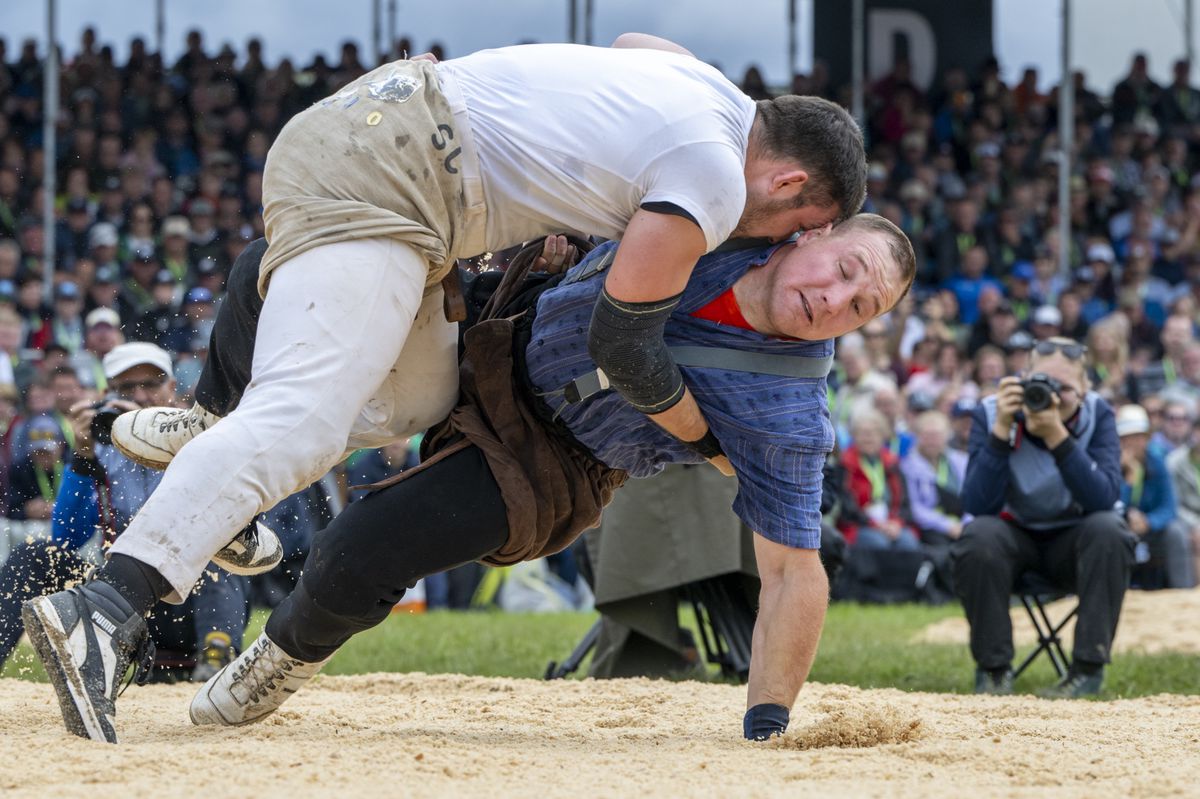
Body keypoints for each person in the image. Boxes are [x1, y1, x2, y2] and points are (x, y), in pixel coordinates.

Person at [23, 38, 867, 744]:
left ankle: (210, 432)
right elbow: (622, 341)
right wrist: (707, 438)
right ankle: (108, 602)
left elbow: (633, 47)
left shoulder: (705, 88)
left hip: (399, 154)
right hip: (401, 176)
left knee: (407, 400)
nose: (774, 246)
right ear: (789, 184)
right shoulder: (717, 183)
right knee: (305, 423)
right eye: (799, 234)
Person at [0, 343, 261, 680]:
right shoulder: (99, 446)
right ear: (109, 394)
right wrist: (83, 457)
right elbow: (65, 538)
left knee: (216, 550)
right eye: (127, 388)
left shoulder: (201, 438)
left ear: (172, 388)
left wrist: (152, 442)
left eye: (151, 384)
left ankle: (217, 654)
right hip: (124, 602)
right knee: (33, 556)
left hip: (191, 599)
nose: (140, 396)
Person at [952, 337, 1132, 698]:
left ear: (1084, 389)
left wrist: (1056, 436)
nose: (1049, 395)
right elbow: (978, 504)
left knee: (1110, 529)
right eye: (1041, 382)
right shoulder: (991, 411)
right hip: (1013, 541)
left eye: (1063, 387)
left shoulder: (1099, 413)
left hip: (1075, 541)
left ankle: (1086, 670)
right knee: (979, 534)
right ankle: (994, 671)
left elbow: (1103, 497)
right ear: (1023, 377)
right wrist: (1002, 430)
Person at [1116, 404, 1195, 589]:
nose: (1133, 443)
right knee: (1108, 532)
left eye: (1138, 437)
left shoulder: (1157, 462)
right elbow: (1112, 505)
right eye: (1127, 438)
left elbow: (1169, 507)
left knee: (1176, 532)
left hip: (1151, 528)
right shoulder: (1110, 465)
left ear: (1147, 438)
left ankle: (1183, 591)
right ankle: (1117, 591)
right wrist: (1128, 480)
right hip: (1120, 527)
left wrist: (1149, 521)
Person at [1165, 413, 1200, 586]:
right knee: (1186, 533)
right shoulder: (1175, 461)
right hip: (1183, 517)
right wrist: (1195, 524)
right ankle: (1188, 591)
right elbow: (1173, 502)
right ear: (1193, 432)